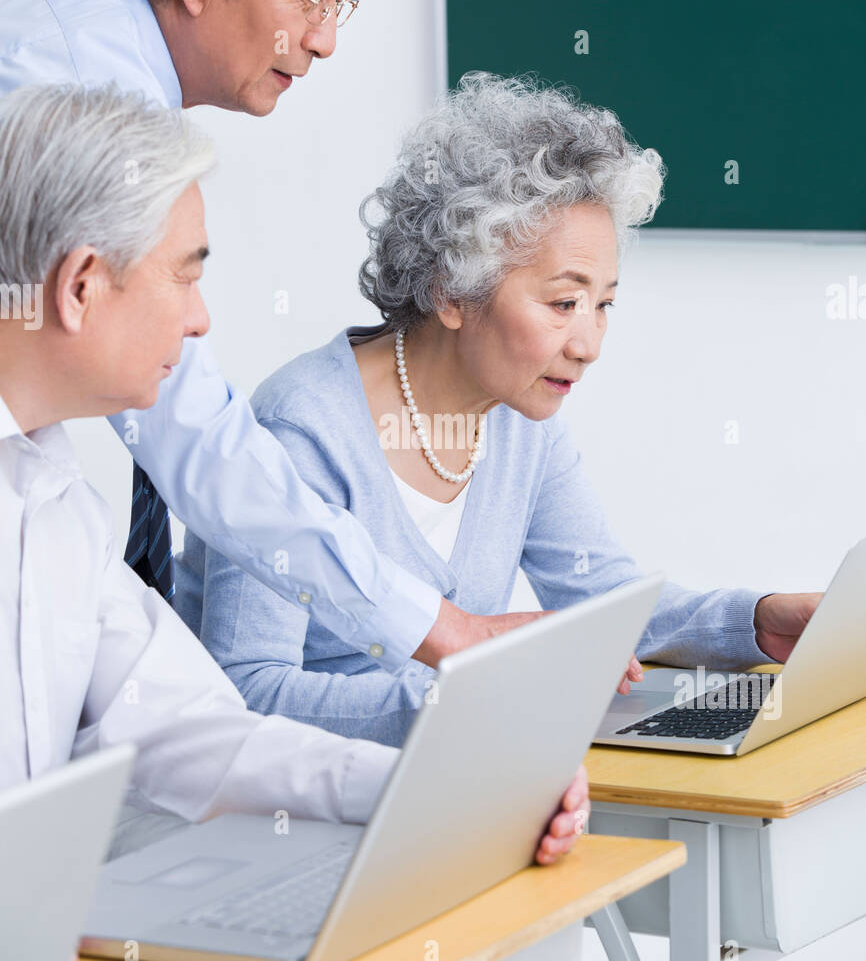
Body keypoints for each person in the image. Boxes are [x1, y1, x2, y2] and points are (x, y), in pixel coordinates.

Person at [0, 0, 538, 699]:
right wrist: (435, 629)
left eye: (341, 4)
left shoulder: (89, 50)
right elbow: (195, 436)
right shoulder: (80, 94)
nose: (325, 39)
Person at [0, 79, 585, 866]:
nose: (200, 318)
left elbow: (193, 735)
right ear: (79, 288)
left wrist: (437, 791)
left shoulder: (57, 504)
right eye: (184, 274)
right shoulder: (305, 414)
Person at [178, 72, 821, 748]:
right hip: (303, 813)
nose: (589, 344)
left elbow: (603, 600)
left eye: (604, 305)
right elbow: (250, 688)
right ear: (453, 290)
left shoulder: (518, 415)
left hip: (450, 788)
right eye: (563, 304)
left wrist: (755, 620)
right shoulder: (304, 427)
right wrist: (462, 696)